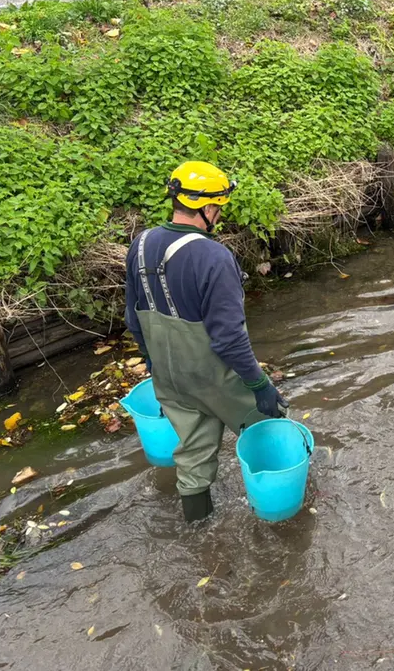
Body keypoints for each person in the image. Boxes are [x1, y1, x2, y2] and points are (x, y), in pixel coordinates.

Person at [124, 161, 288, 523]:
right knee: (273, 424)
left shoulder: (140, 244)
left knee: (193, 457)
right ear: (208, 208)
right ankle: (283, 513)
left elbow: (133, 320)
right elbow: (228, 339)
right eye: (219, 209)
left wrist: (154, 366)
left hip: (168, 377)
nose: (219, 216)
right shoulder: (214, 256)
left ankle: (199, 531)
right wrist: (259, 385)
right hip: (214, 377)